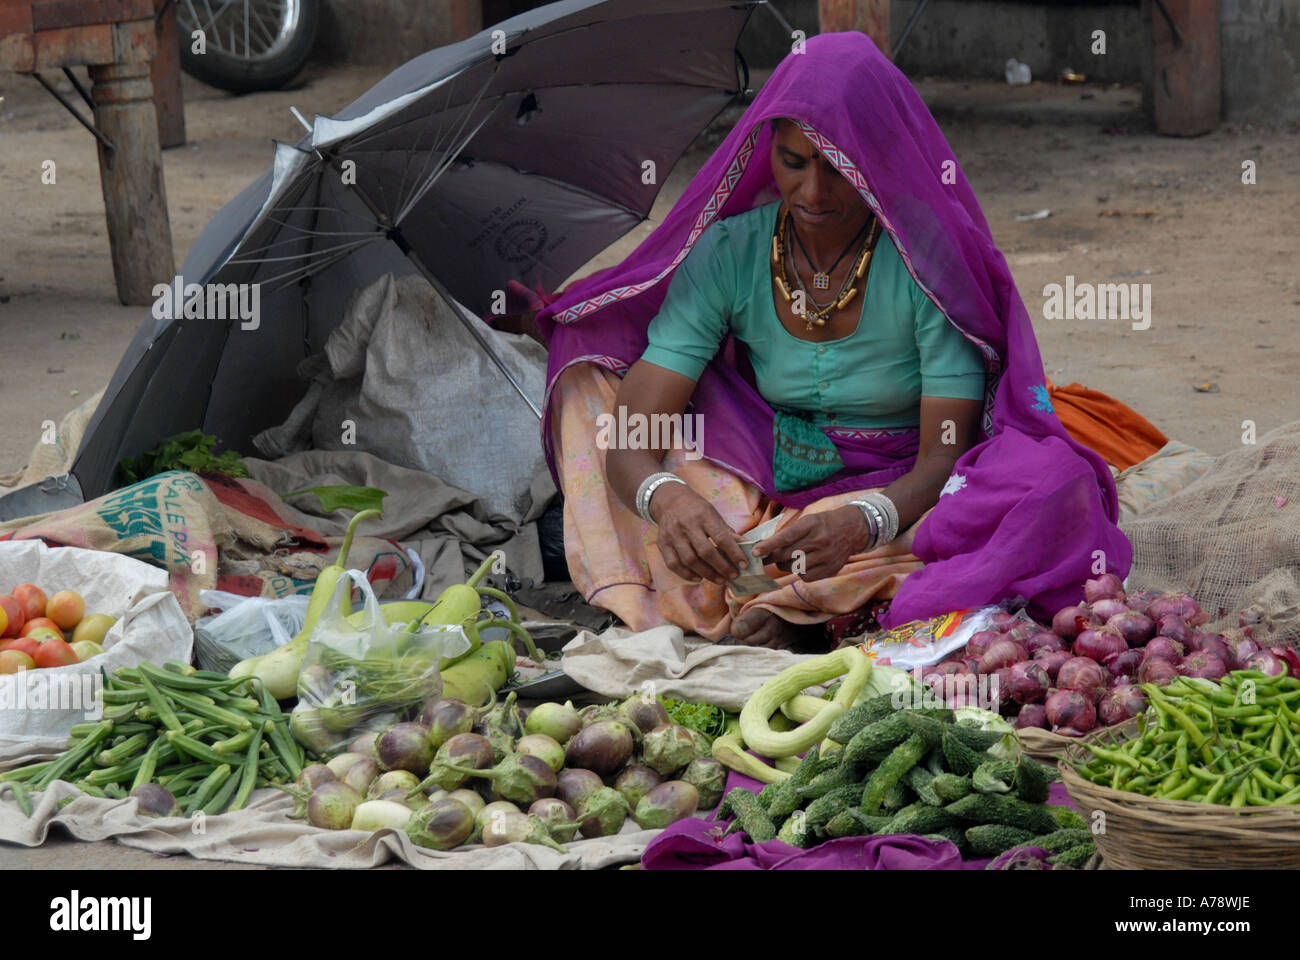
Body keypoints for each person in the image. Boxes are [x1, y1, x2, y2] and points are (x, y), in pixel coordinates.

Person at [534, 32, 1131, 649]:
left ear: (878, 159)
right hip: (761, 470)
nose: (814, 194)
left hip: (902, 488)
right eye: (794, 162)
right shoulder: (732, 252)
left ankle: (795, 600)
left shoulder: (926, 264)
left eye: (838, 167)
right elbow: (637, 433)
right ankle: (782, 599)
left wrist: (865, 522)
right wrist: (667, 500)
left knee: (1048, 484)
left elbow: (943, 457)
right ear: (768, 151)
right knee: (590, 391)